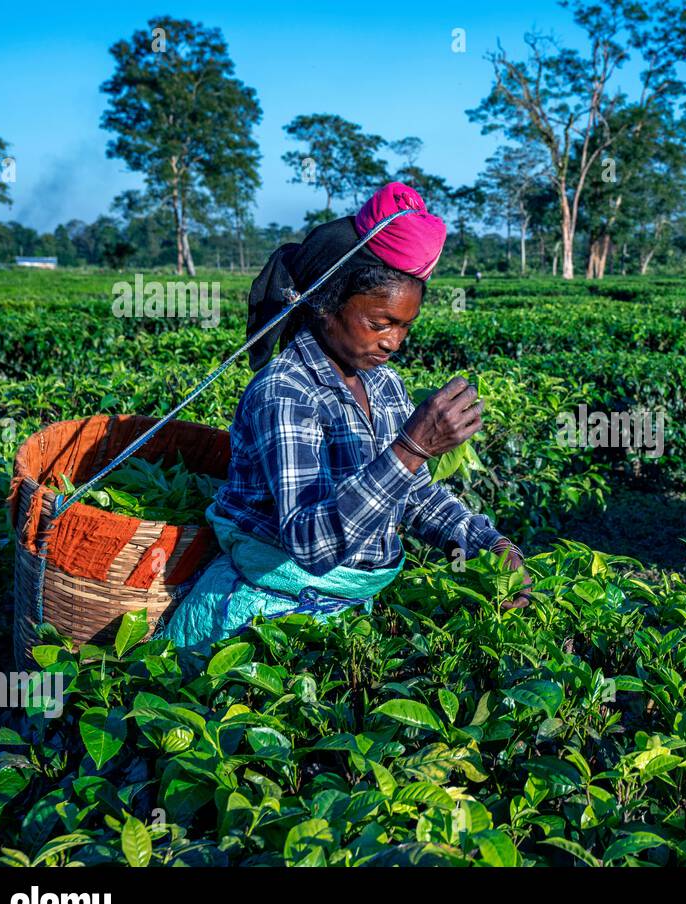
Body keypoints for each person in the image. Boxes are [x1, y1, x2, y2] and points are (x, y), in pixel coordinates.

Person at [162, 182, 531, 649]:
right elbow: (311, 544)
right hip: (265, 619)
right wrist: (412, 446)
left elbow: (413, 497)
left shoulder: (384, 384)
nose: (392, 342)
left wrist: (490, 545)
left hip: (347, 607)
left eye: (404, 327)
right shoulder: (285, 391)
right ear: (323, 305)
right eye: (379, 323)